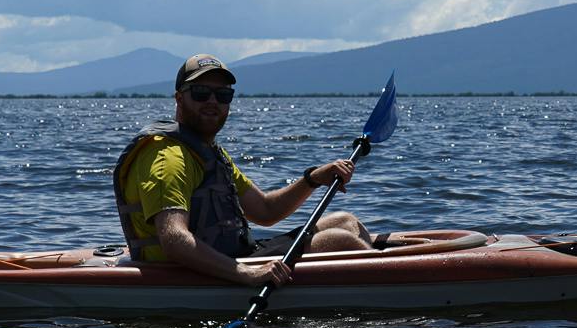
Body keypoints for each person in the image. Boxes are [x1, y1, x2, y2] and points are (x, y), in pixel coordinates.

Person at [113, 54, 379, 286]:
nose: (213, 102)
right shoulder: (168, 158)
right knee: (338, 241)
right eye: (201, 93)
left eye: (223, 95)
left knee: (345, 221)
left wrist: (311, 180)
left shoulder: (206, 152)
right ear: (179, 98)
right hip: (196, 271)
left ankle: (386, 278)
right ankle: (397, 290)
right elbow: (174, 241)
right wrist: (247, 274)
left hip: (237, 253)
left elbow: (265, 211)